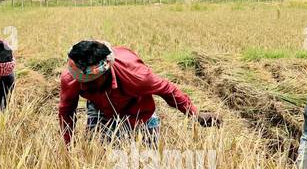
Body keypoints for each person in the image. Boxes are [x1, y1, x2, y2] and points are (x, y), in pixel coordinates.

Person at [57, 40, 218, 143]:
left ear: (105, 71)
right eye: (81, 81)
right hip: (100, 108)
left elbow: (168, 91)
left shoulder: (137, 76)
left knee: (149, 159)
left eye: (89, 82)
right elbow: (66, 111)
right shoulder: (72, 78)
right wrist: (67, 144)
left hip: (139, 110)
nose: (84, 86)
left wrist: (195, 115)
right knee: (98, 155)